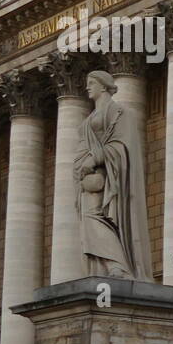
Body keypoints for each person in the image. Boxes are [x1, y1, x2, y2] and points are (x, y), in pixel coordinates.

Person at [74, 70, 153, 281]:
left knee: (97, 217)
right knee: (90, 219)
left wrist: (95, 158)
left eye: (91, 83)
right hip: (89, 180)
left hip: (110, 177)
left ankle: (118, 265)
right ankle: (107, 268)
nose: (87, 87)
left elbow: (122, 145)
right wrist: (82, 164)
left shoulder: (119, 112)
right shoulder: (90, 118)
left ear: (103, 86)